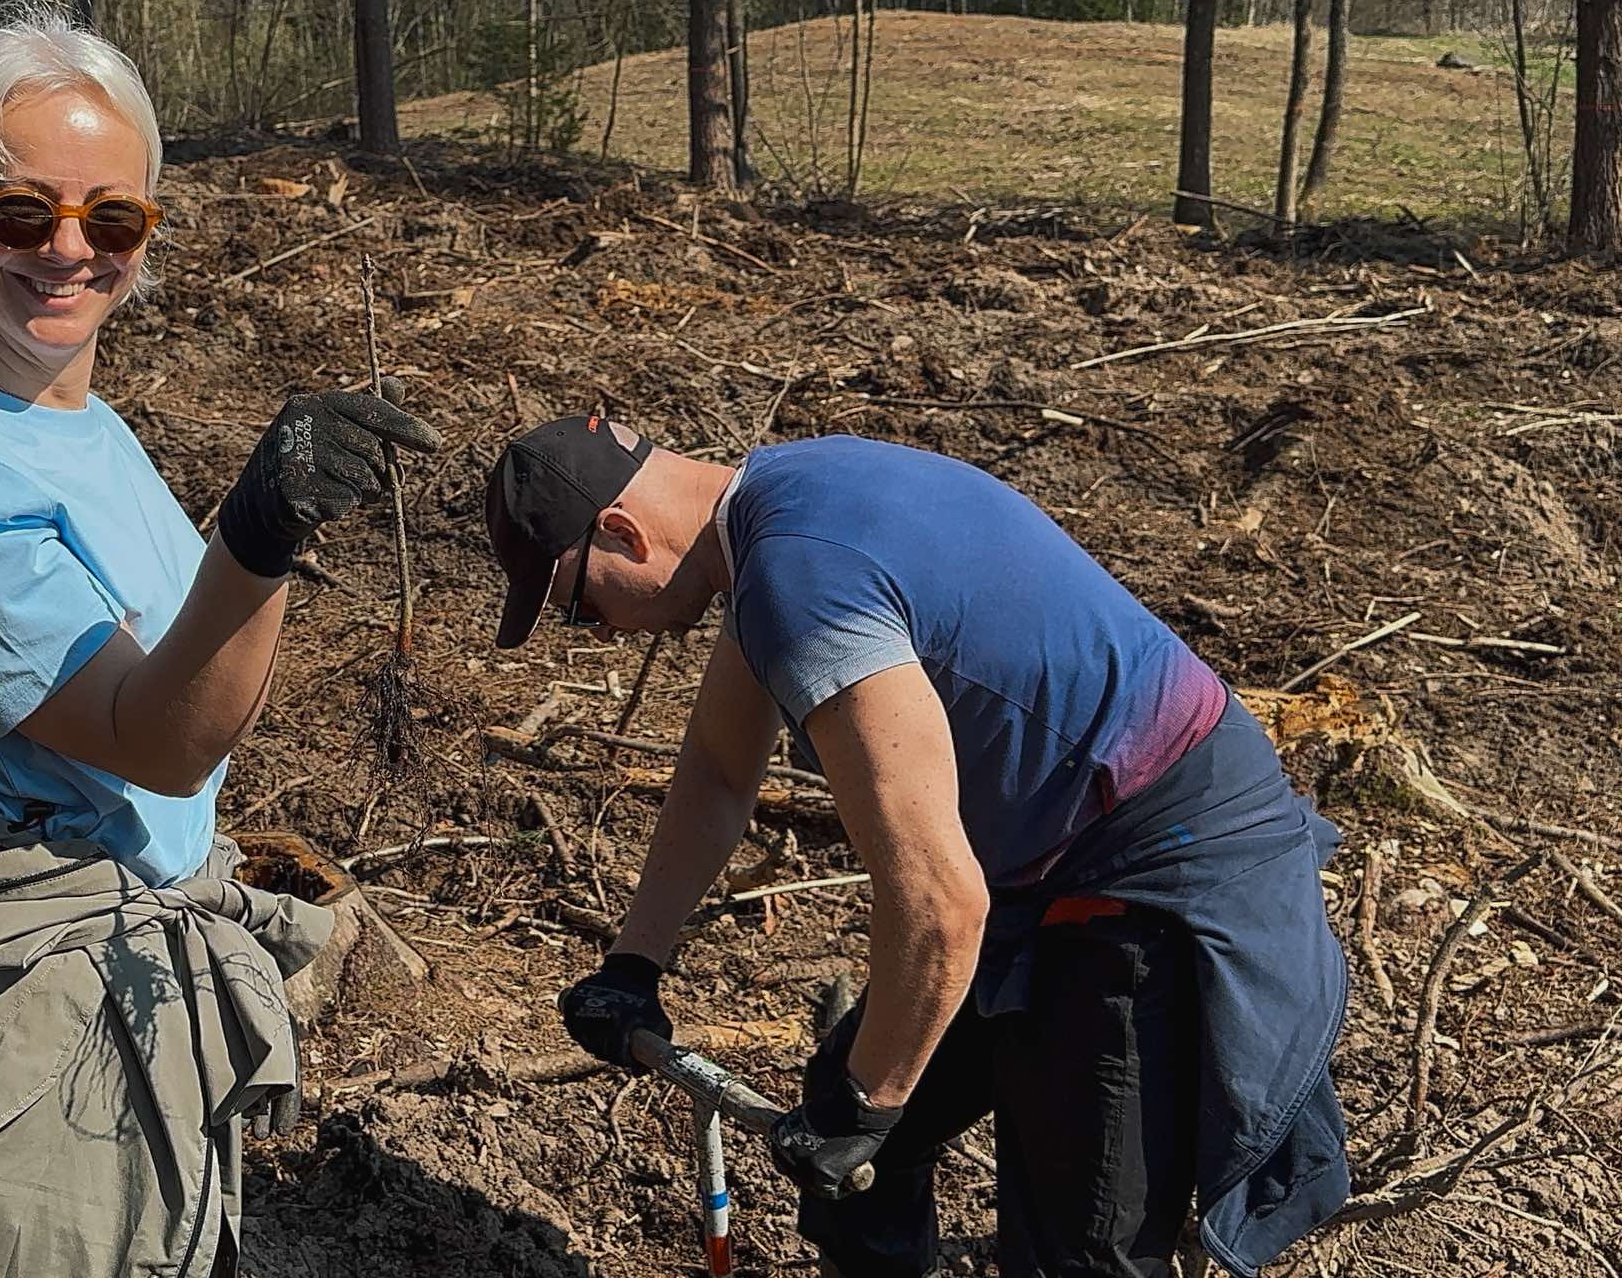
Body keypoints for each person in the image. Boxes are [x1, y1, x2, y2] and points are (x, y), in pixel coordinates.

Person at [0, 3, 440, 1278]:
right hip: (5, 1040)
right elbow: (158, 740)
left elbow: (185, 688)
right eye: (24, 212)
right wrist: (258, 533)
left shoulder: (85, 425)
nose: (70, 251)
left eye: (111, 219)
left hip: (115, 978)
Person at [483, 417, 1349, 1278]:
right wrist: (634, 963)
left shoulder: (799, 579)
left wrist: (874, 1103)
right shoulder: (781, 502)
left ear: (622, 532)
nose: (601, 632)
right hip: (1061, 850)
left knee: (1075, 1251)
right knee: (850, 1132)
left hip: (1156, 868)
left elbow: (942, 907)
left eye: (581, 606)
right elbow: (716, 768)